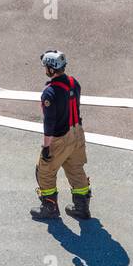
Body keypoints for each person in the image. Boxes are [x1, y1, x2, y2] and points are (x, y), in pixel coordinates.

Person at [31, 49, 92, 221]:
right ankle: (81, 208)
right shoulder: (74, 83)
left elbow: (49, 123)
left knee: (44, 171)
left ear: (51, 69)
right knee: (75, 169)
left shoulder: (49, 93)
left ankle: (49, 207)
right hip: (77, 133)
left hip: (60, 138)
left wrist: (46, 146)